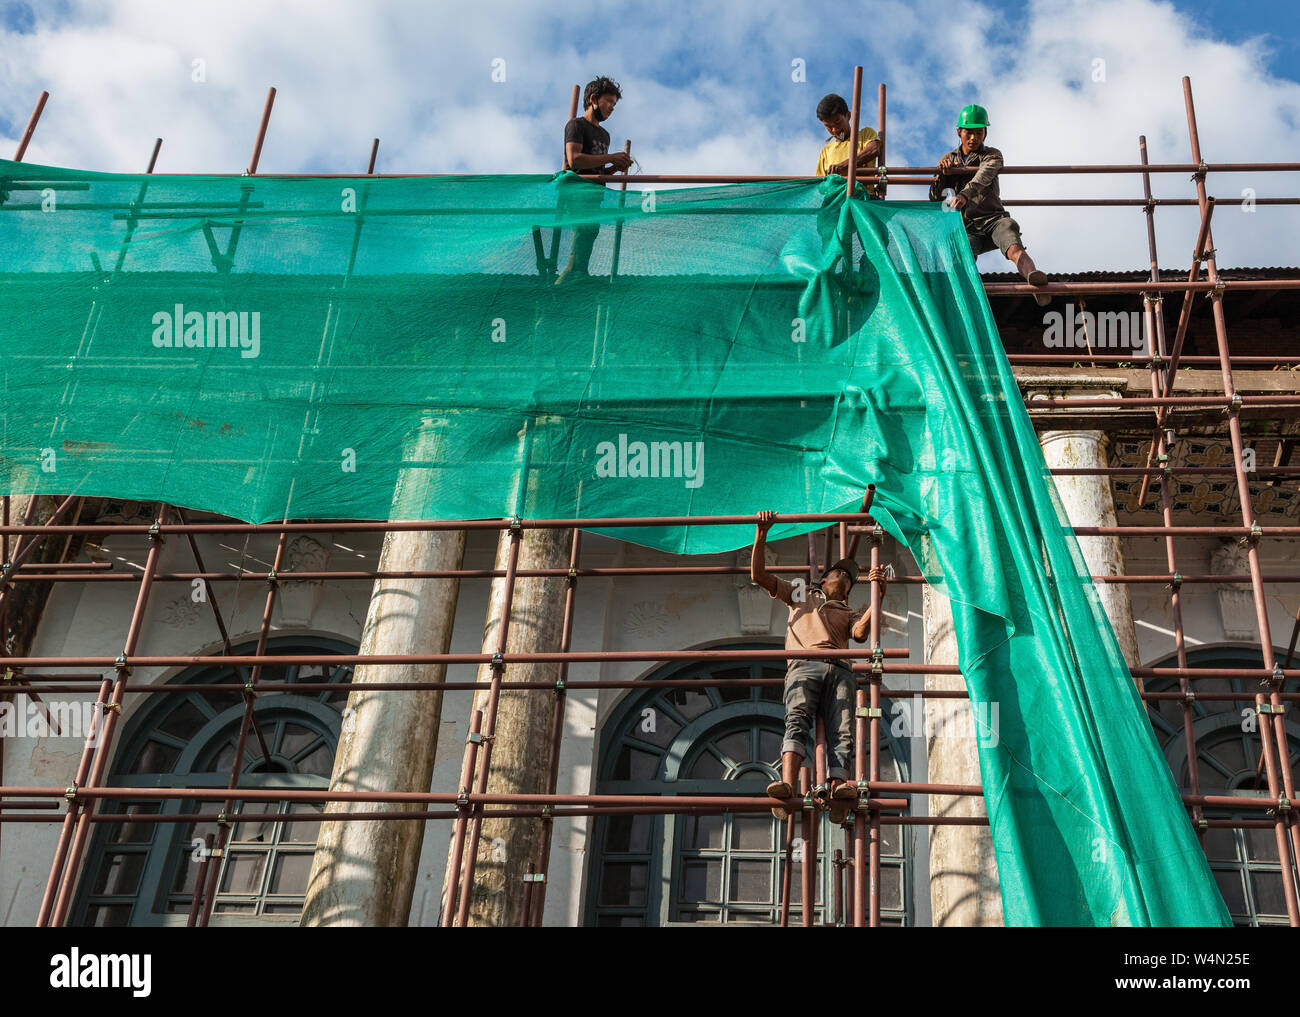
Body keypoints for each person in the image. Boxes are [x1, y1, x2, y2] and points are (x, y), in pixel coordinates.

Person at [749, 510, 888, 824]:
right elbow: (759, 576)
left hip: (839, 668)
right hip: (804, 664)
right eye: (840, 572)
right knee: (797, 718)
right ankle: (787, 783)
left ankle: (838, 786)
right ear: (822, 580)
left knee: (843, 729)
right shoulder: (800, 594)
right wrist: (762, 533)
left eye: (850, 578)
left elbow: (860, 633)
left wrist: (878, 592)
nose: (846, 577)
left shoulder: (847, 610)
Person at [929, 104, 1051, 306]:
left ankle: (1034, 280)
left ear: (985, 132)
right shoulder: (948, 159)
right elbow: (935, 198)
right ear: (959, 131)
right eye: (969, 132)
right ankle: (961, 302)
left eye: (979, 132)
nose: (973, 138)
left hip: (994, 219)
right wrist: (941, 175)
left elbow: (983, 176)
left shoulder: (992, 155)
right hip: (967, 227)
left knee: (1013, 246)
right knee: (961, 257)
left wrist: (964, 195)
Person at [555, 76, 633, 284]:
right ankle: (565, 285)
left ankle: (578, 275)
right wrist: (611, 157)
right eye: (608, 101)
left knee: (589, 237)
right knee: (581, 239)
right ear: (593, 99)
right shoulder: (576, 125)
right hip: (578, 192)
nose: (612, 107)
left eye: (614, 104)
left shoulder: (604, 135)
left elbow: (599, 170)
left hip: (594, 196)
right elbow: (575, 160)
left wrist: (615, 167)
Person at [814, 93, 880, 182]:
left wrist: (844, 165)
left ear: (848, 116)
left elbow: (873, 150)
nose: (834, 130)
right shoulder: (826, 151)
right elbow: (820, 185)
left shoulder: (865, 134)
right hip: (836, 196)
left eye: (837, 122)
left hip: (861, 194)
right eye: (828, 126)